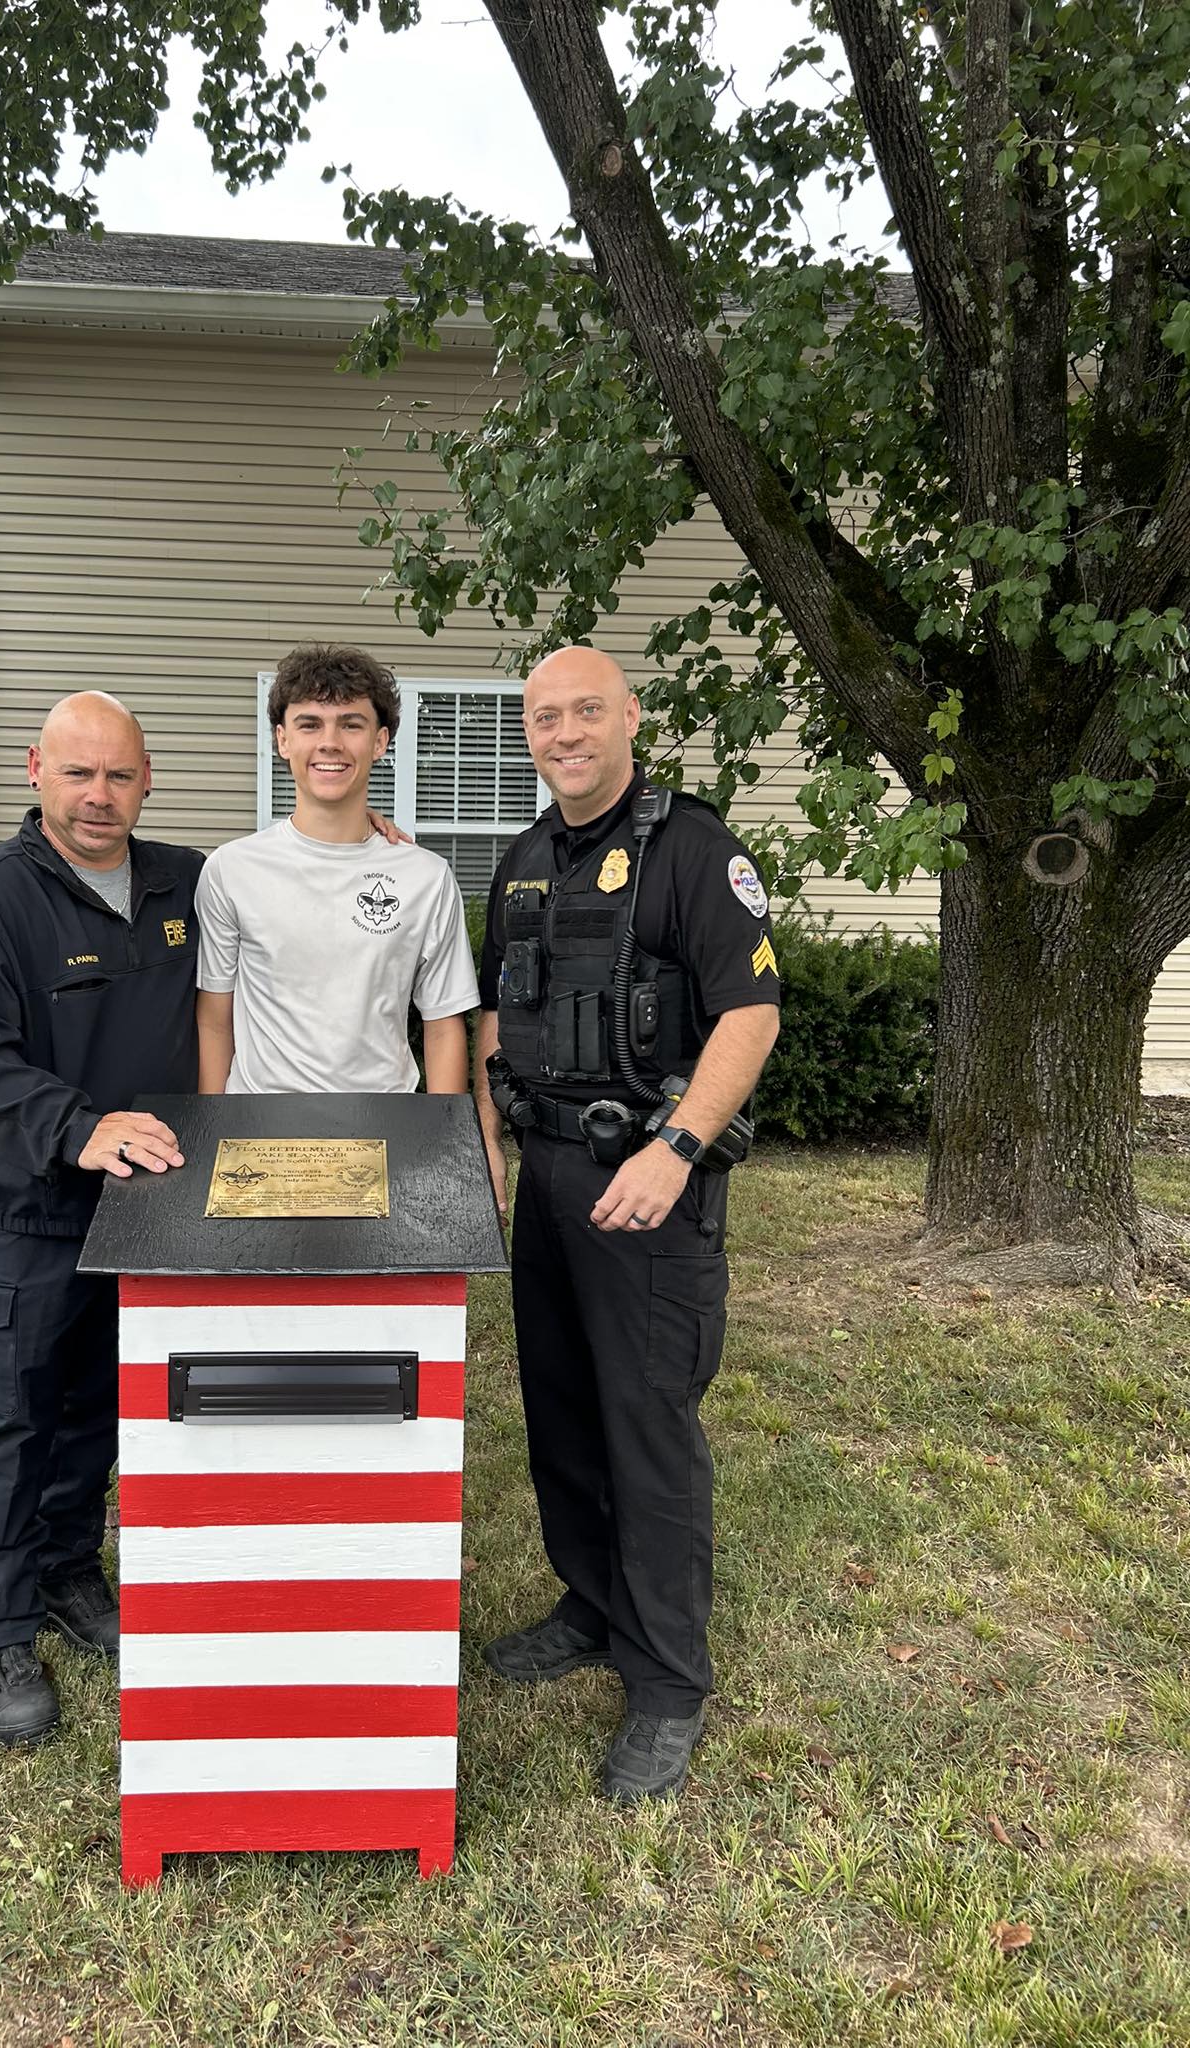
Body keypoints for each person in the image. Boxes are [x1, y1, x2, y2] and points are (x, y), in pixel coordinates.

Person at [474, 645, 780, 1805]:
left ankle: (666, 1679)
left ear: (629, 717)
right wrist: (492, 1143)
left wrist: (678, 1145)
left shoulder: (691, 848)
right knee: (560, 1410)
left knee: (647, 1428)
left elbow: (751, 1013)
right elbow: (502, 1006)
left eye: (585, 709)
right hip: (547, 1181)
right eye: (544, 716)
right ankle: (591, 1603)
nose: (564, 731)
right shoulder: (520, 860)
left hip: (647, 1184)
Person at [0, 690, 199, 1747]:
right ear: (36, 768)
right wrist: (77, 1125)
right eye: (78, 773)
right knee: (18, 1415)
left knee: (101, 1410)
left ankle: (71, 1572)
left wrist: (370, 841)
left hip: (147, 1211)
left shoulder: (185, 880)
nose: (98, 796)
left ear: (146, 779)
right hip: (33, 1214)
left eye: (119, 775)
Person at [195, 644, 477, 1097]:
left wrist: (448, 1143)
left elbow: (443, 1025)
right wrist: (213, 1130)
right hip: (262, 1131)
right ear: (282, 739)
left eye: (351, 724)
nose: (330, 742)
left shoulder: (426, 877)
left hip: (387, 1126)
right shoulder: (231, 870)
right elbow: (214, 1019)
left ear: (380, 741)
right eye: (309, 724)